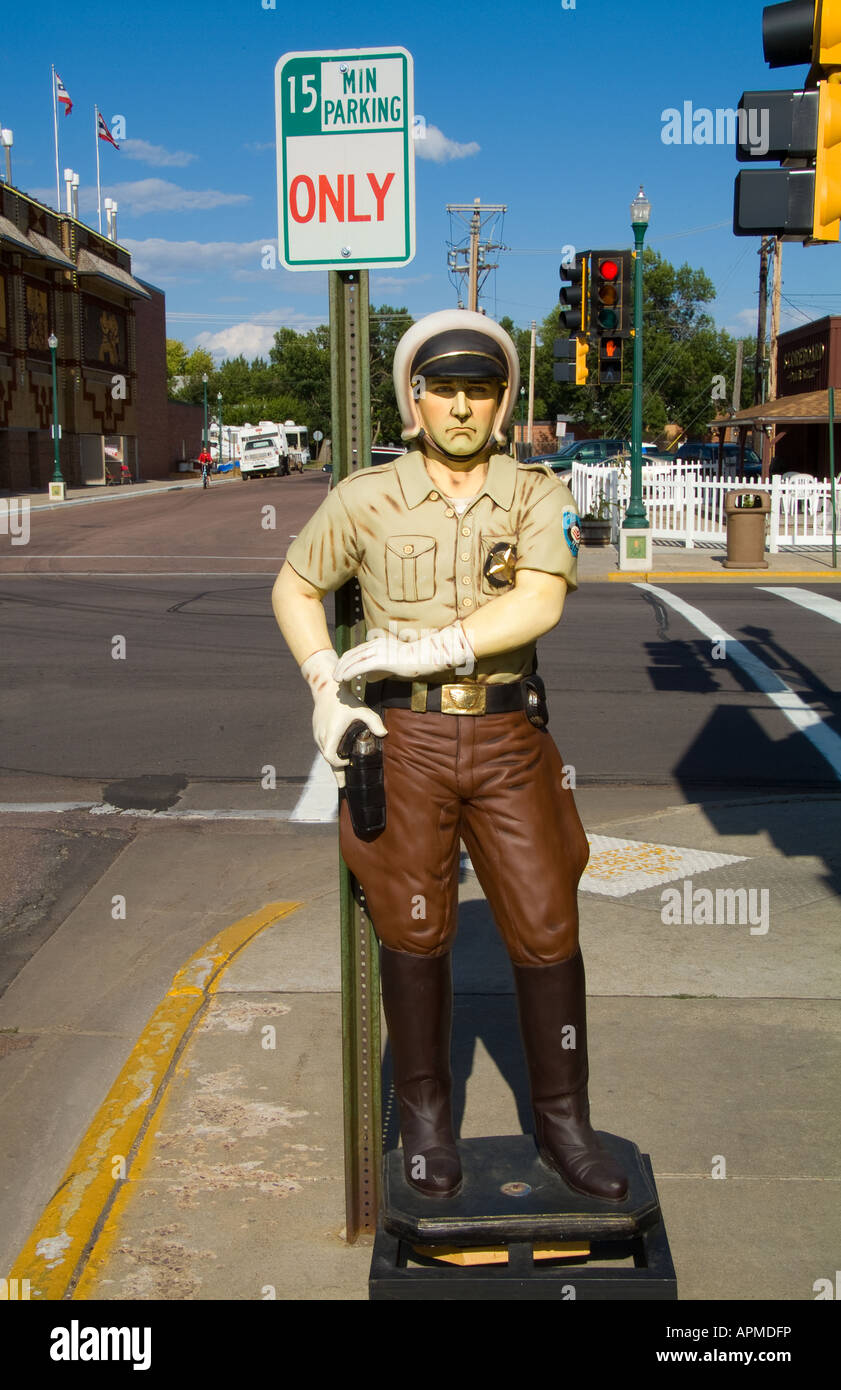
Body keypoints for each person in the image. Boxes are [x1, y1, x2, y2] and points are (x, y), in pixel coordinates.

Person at [272, 309, 628, 1204]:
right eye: (444, 392)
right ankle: (426, 1119)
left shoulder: (535, 493)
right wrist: (325, 685)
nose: (462, 409)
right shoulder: (366, 496)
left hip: (508, 736)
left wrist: (429, 649)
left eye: (481, 391)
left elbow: (538, 603)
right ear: (413, 402)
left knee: (547, 924)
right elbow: (296, 584)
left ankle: (562, 1121)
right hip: (410, 741)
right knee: (415, 927)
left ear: (503, 403)